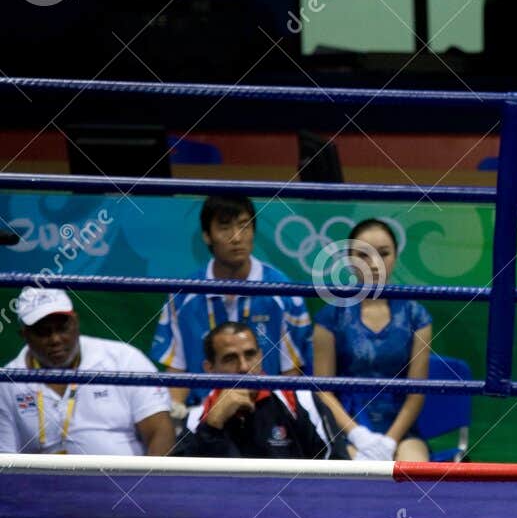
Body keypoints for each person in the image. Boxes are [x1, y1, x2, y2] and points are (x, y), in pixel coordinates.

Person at [151, 195, 312, 417]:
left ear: (254, 232)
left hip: (267, 413)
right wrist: (177, 411)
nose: (237, 237)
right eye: (225, 228)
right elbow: (176, 369)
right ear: (207, 236)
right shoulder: (182, 295)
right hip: (201, 413)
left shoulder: (283, 292)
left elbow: (291, 371)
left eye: (244, 226)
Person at [313, 219, 433, 462]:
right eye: (363, 255)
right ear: (349, 260)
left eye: (384, 253)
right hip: (346, 429)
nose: (374, 263)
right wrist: (359, 436)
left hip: (401, 431)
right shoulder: (329, 318)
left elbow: (416, 392)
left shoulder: (417, 316)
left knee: (415, 468)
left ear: (395, 257)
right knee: (356, 475)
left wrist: (389, 442)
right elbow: (323, 392)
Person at [0, 287, 173, 456]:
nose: (55, 339)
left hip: (123, 482)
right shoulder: (7, 382)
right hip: (39, 484)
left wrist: (146, 484)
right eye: (43, 332)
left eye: (62, 327)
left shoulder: (123, 359)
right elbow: (5, 458)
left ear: (75, 321)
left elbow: (159, 431)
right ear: (24, 334)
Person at [172, 321, 330, 459]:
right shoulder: (197, 418)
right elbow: (177, 482)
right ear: (210, 368)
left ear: (260, 356)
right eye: (230, 359)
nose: (244, 367)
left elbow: (334, 462)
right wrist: (212, 425)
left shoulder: (301, 401)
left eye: (250, 355)